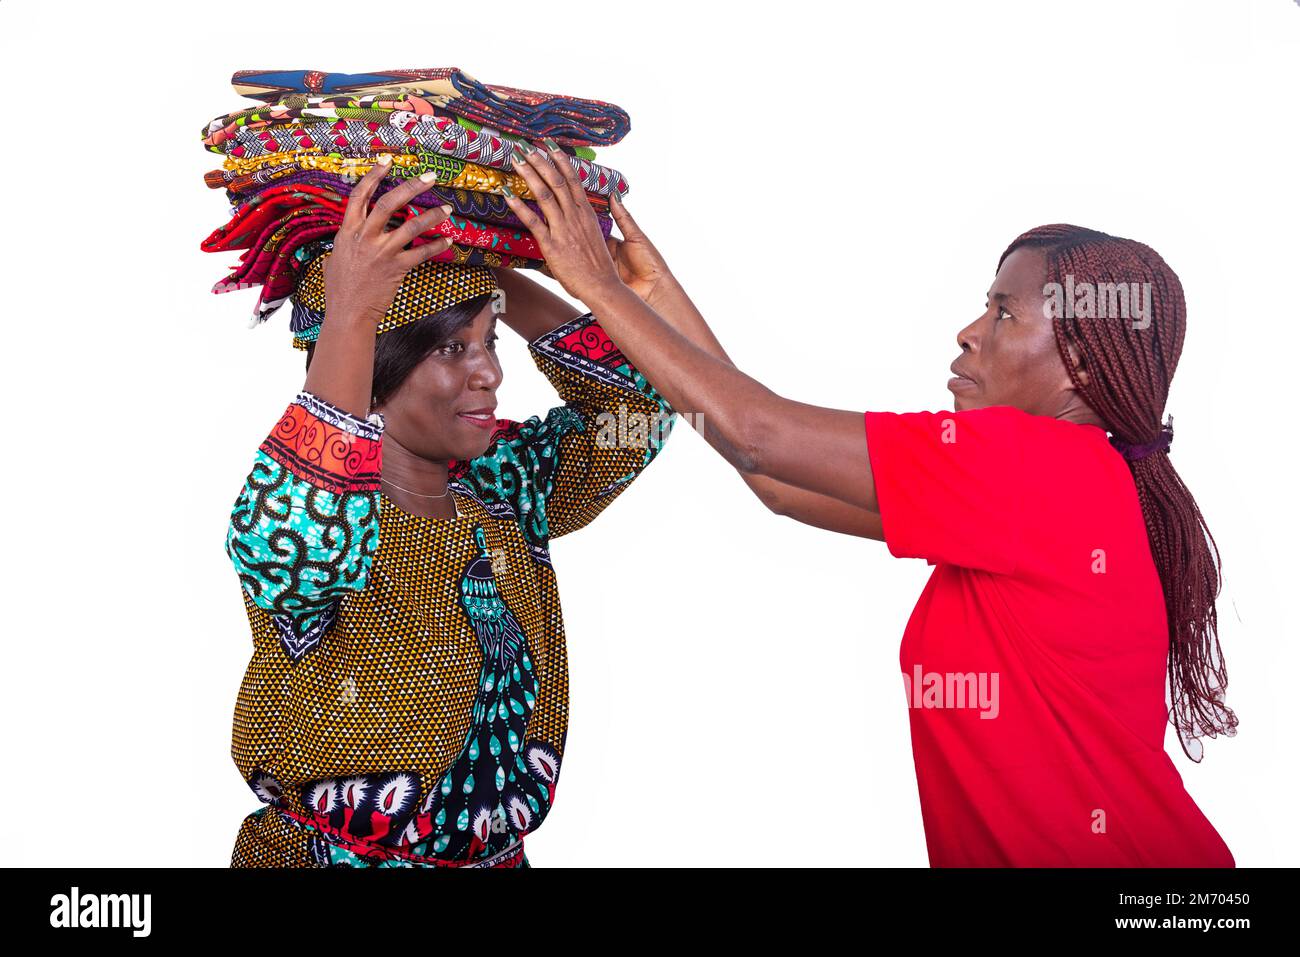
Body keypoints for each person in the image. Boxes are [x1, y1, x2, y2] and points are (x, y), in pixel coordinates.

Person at [499, 141, 1238, 866]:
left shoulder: (1031, 464)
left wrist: (597, 286)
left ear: (1079, 360)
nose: (970, 331)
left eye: (1005, 315)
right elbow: (780, 484)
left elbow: (761, 435)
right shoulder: (1059, 483)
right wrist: (651, 296)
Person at [225, 156, 675, 867]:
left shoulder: (500, 485)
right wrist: (351, 311)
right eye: (450, 347)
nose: (491, 371)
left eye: (489, 342)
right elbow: (296, 539)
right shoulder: (319, 512)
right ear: (375, 365)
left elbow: (641, 413)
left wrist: (496, 270)